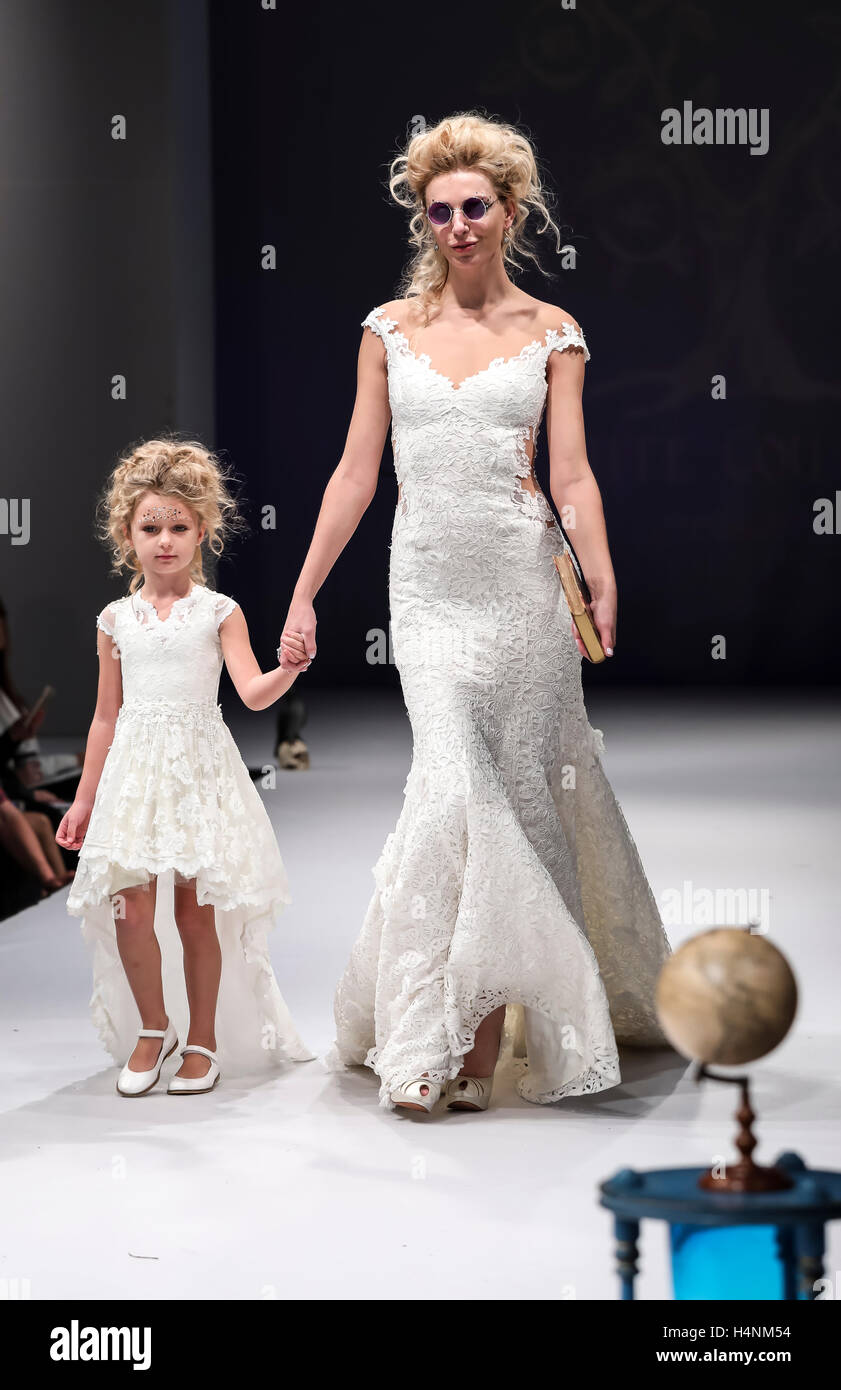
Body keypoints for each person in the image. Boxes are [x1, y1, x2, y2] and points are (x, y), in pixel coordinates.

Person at [278, 112, 672, 1116]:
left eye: (473, 206)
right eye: (437, 209)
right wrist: (306, 589)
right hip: (429, 589)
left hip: (524, 588)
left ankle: (464, 1048)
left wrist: (599, 569)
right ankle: (434, 1039)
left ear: (509, 210)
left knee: (512, 797)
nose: (454, 224)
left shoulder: (551, 333)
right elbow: (356, 472)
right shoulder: (387, 331)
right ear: (425, 219)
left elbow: (570, 473)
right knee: (455, 784)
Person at [57, 437, 315, 1097]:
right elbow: (105, 717)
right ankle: (153, 1028)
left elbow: (252, 693)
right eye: (151, 528)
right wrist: (83, 802)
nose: (164, 540)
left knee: (197, 913)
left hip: (200, 772)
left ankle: (202, 1039)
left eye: (178, 527)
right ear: (127, 534)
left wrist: (287, 668)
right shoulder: (115, 620)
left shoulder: (219, 613)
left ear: (202, 531)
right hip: (133, 777)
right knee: (130, 909)